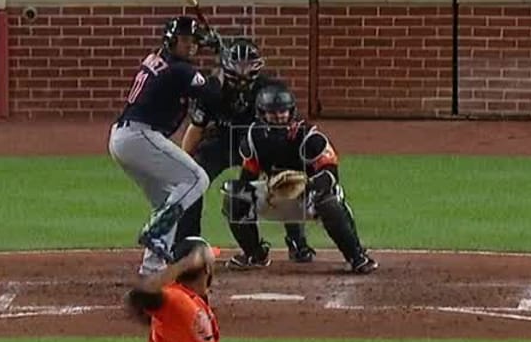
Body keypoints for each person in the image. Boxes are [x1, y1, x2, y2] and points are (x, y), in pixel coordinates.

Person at [175, 38, 315, 264]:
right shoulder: (211, 89)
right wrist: (183, 162)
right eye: (238, 68)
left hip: (260, 144)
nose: (242, 74)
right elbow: (197, 128)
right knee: (192, 180)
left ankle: (297, 241)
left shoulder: (270, 90)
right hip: (222, 143)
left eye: (247, 67)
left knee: (284, 180)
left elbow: (292, 128)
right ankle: (187, 243)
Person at [221, 81, 377, 274]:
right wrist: (242, 188)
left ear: (291, 111)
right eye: (272, 112)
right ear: (261, 114)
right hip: (274, 197)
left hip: (309, 197)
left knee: (328, 200)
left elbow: (330, 172)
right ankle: (254, 254)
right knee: (235, 195)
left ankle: (356, 256)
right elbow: (248, 176)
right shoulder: (254, 137)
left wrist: (309, 186)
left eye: (283, 111)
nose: (279, 117)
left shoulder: (309, 136)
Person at [109, 16, 215, 275]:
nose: (191, 46)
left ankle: (152, 269)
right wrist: (223, 63)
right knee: (197, 179)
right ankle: (155, 234)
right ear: (171, 40)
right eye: (186, 40)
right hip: (140, 137)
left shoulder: (159, 59)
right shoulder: (179, 69)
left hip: (125, 139)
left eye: (194, 41)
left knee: (167, 202)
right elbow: (211, 95)